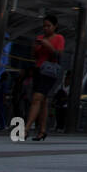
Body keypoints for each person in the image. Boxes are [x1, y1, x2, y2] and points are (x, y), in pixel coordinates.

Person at [26, 14, 64, 142]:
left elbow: (58, 54)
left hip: (49, 72)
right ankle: (42, 130)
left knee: (37, 98)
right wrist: (35, 46)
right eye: (44, 26)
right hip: (38, 70)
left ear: (55, 26)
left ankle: (26, 128)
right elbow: (34, 56)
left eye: (49, 26)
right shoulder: (40, 38)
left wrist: (47, 44)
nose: (46, 28)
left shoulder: (59, 38)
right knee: (43, 101)